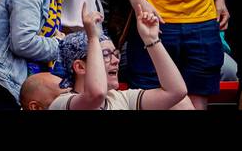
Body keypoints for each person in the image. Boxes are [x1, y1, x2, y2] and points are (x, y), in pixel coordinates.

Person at [51, 8, 188, 109]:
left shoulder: (120, 98)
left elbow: (176, 91)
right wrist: (93, 37)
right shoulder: (62, 103)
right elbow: (95, 95)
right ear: (80, 67)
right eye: (105, 55)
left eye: (115, 54)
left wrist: (151, 39)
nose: (116, 61)